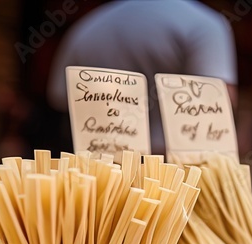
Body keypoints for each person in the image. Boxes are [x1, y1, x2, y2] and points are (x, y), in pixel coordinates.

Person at [47, 0, 237, 154]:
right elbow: (219, 101)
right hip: (173, 177)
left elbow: (59, 98)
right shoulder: (204, 23)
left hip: (96, 170)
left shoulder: (87, 26)